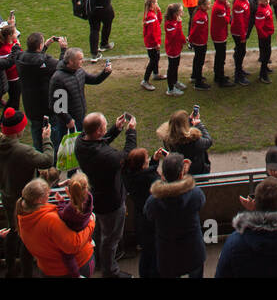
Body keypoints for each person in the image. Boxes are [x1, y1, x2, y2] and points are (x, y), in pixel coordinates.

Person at [0, 106, 53, 278]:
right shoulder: (23, 151)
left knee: (12, 231)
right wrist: (46, 140)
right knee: (26, 239)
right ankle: (27, 272)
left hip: (6, 196)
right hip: (25, 200)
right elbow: (47, 160)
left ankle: (10, 267)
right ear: (17, 129)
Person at [75, 111, 137, 278]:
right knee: (110, 239)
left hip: (94, 198)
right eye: (103, 126)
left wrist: (115, 130)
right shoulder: (107, 157)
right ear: (97, 131)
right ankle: (110, 271)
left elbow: (99, 141)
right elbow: (127, 155)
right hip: (111, 203)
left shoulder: (80, 142)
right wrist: (131, 132)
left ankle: (95, 259)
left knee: (98, 232)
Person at [16, 177, 95, 278]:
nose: (49, 196)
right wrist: (91, 224)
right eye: (47, 194)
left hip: (48, 269)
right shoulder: (50, 219)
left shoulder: (23, 215)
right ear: (39, 200)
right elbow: (73, 245)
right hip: (70, 268)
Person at [145, 152, 206, 279]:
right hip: (193, 248)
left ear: (163, 175)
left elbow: (149, 215)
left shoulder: (154, 200)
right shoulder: (195, 193)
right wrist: (185, 176)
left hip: (168, 251)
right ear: (181, 173)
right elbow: (200, 202)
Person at [48, 47, 112, 156]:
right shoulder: (58, 79)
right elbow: (56, 105)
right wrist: (68, 120)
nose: (83, 61)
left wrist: (105, 73)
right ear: (71, 61)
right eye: (80, 59)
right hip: (68, 122)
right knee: (65, 148)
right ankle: (60, 168)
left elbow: (94, 80)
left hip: (80, 116)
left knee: (77, 147)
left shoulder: (79, 71)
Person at [123, 146, 165, 278]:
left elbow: (144, 173)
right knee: (155, 254)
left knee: (146, 254)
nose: (148, 160)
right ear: (142, 164)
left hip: (140, 219)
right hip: (153, 222)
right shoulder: (151, 178)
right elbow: (156, 180)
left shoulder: (129, 176)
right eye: (147, 159)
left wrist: (153, 160)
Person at [17, 32, 64, 147]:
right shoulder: (45, 62)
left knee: (36, 130)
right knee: (53, 132)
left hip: (30, 104)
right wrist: (63, 50)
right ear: (39, 46)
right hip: (46, 104)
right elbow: (62, 67)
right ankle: (53, 159)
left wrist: (45, 47)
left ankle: (38, 157)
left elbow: (34, 59)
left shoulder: (20, 58)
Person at [156, 109, 213, 175]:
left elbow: (179, 130)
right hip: (197, 172)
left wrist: (189, 120)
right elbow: (208, 141)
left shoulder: (167, 138)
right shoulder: (193, 141)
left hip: (178, 170)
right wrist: (199, 125)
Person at [187, 0, 213, 91]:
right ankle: (198, 83)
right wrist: (191, 40)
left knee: (197, 60)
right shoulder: (200, 16)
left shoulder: (201, 13)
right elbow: (194, 31)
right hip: (200, 43)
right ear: (202, 5)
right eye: (208, 4)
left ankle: (195, 76)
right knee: (199, 62)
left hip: (201, 41)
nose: (209, 6)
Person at [229, 0, 252, 86]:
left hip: (242, 31)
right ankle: (238, 76)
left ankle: (240, 71)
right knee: (240, 52)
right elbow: (239, 22)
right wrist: (243, 36)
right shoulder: (238, 4)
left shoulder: (245, 1)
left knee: (241, 51)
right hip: (238, 32)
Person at [210, 0, 233, 87]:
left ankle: (218, 76)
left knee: (219, 56)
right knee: (220, 57)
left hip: (219, 33)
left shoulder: (220, 3)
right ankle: (220, 79)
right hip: (219, 35)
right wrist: (228, 9)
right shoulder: (219, 7)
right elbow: (227, 20)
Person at [253, 0, 276, 83]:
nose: (267, 2)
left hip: (268, 34)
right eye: (265, 1)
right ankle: (263, 75)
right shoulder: (260, 11)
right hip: (264, 36)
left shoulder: (266, 6)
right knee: (265, 55)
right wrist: (265, 35)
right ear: (259, 0)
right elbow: (259, 26)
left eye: (268, 0)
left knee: (268, 52)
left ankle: (265, 68)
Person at [162, 2, 186, 95]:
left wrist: (183, 41)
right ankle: (170, 89)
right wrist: (178, 24)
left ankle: (175, 82)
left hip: (177, 48)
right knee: (171, 69)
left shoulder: (175, 22)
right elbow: (174, 36)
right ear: (175, 13)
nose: (182, 12)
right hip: (172, 50)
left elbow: (179, 35)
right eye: (181, 11)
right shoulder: (170, 24)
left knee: (175, 66)